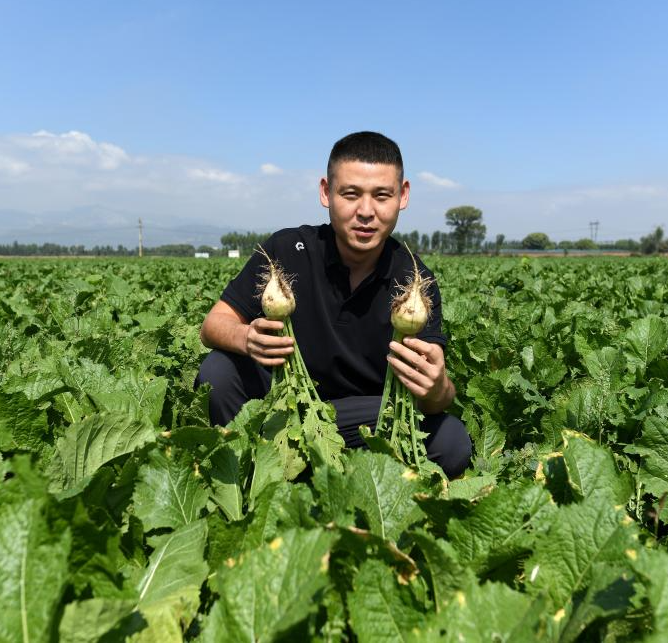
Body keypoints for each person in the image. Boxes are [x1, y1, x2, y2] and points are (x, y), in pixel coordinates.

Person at [196, 131, 472, 477]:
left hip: (360, 419)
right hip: (284, 404)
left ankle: (313, 474)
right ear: (326, 192)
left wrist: (439, 387)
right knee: (218, 372)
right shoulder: (286, 250)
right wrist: (244, 338)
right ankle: (250, 470)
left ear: (403, 196)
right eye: (351, 194)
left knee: (451, 440)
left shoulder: (414, 278)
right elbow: (212, 326)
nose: (366, 212)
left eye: (382, 195)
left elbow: (433, 398)